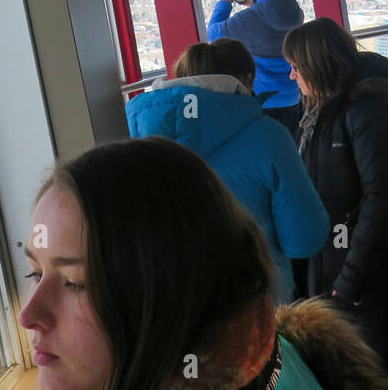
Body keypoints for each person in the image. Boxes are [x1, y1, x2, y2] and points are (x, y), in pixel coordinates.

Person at [20, 136, 388, 390]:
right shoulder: (267, 352)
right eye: (36, 273)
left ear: (166, 291)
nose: (28, 315)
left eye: (75, 282)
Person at [283, 17, 388, 376]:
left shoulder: (366, 110)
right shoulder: (317, 110)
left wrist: (351, 279)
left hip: (363, 271)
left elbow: (384, 196)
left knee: (374, 371)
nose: (292, 76)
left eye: (295, 67)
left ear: (317, 65)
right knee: (353, 369)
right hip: (334, 264)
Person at [125, 38, 328, 303]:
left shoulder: (142, 143)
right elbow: (304, 239)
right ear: (245, 79)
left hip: (174, 300)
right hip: (255, 298)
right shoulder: (268, 136)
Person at [207, 0, 305, 137]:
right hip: (294, 98)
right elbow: (273, 15)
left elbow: (213, 32)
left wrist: (224, 3)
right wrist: (256, 2)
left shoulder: (246, 21)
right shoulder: (296, 13)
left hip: (263, 101)